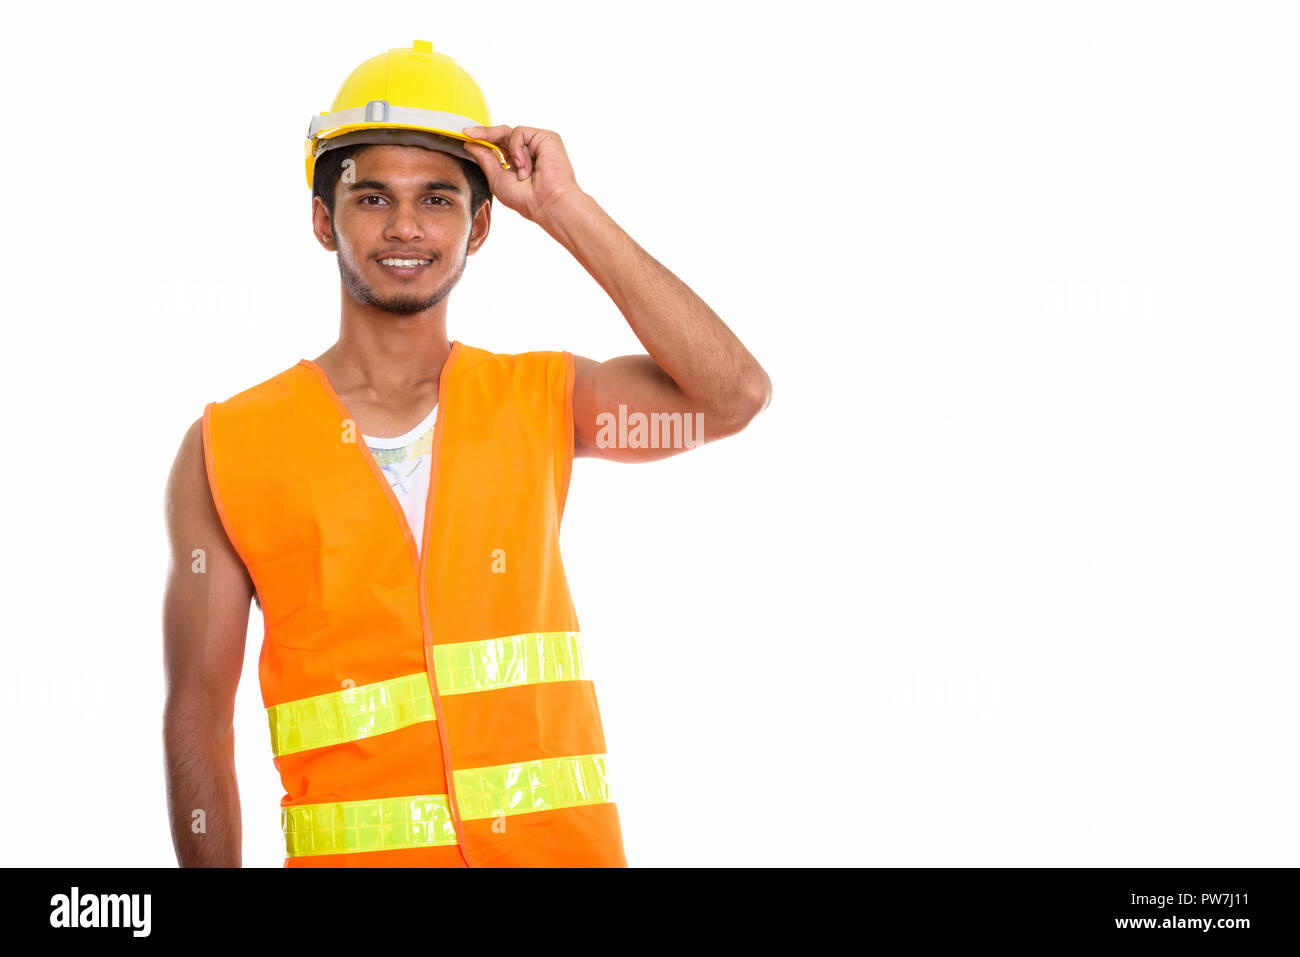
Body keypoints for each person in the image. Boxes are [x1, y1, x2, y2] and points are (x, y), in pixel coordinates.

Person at [162, 41, 770, 867]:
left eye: (439, 199)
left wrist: (563, 205)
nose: (406, 225)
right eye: (372, 195)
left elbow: (730, 395)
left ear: (481, 225)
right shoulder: (229, 447)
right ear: (321, 217)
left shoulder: (547, 403)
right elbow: (198, 710)